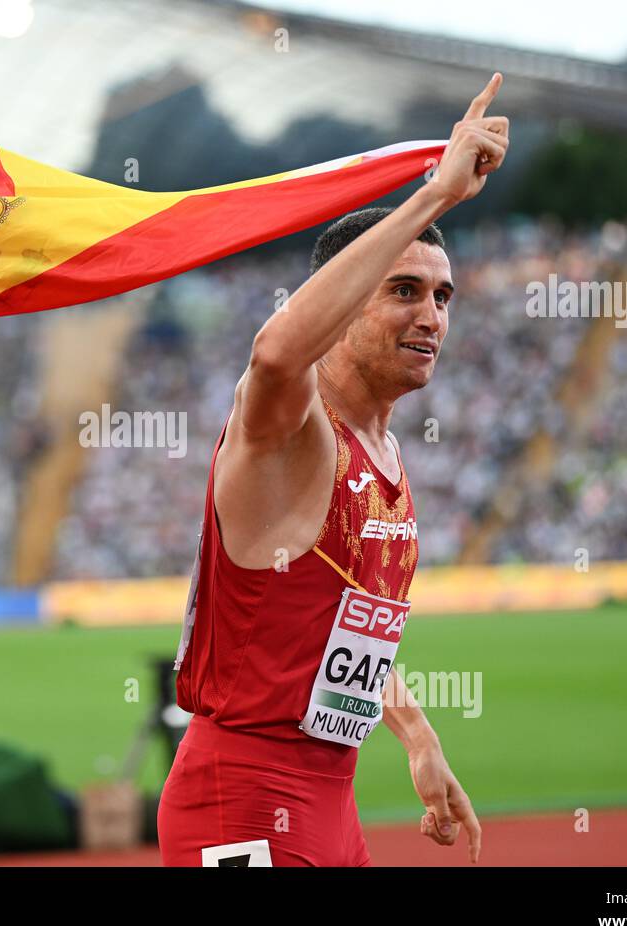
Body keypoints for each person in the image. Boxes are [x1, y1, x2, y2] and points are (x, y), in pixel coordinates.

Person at [158, 74, 509, 866]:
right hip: (241, 797)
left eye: (445, 297)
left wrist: (416, 732)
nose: (432, 315)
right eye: (403, 291)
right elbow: (276, 353)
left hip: (328, 795)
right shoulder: (292, 430)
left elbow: (344, 635)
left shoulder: (382, 451)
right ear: (344, 300)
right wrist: (434, 199)